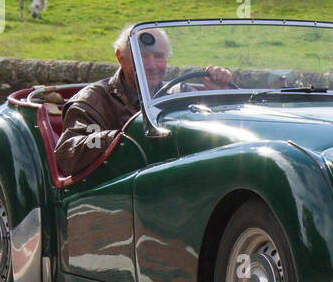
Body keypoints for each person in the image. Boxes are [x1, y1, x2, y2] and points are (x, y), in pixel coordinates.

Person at [53, 25, 232, 177]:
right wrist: (122, 139)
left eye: (158, 57)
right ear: (120, 58)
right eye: (142, 56)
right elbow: (68, 155)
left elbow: (216, 137)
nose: (151, 65)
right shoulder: (94, 99)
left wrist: (222, 97)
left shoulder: (178, 94)